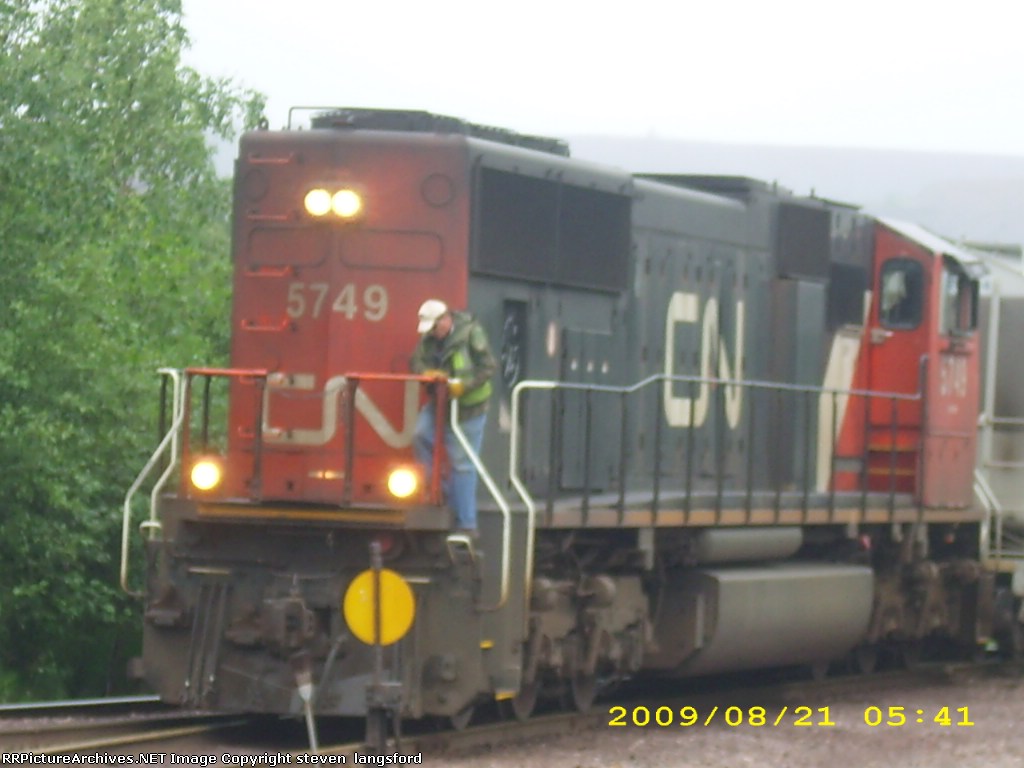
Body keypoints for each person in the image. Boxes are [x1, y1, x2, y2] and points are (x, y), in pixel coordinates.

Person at [410, 299, 496, 534]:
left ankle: (466, 524)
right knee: (420, 435)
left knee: (462, 464)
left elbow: (488, 367)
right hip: (441, 403)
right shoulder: (428, 339)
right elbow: (416, 361)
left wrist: (464, 386)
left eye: (434, 328)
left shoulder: (471, 334)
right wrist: (426, 373)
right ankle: (443, 491)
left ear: (445, 320)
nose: (432, 333)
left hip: (470, 408)